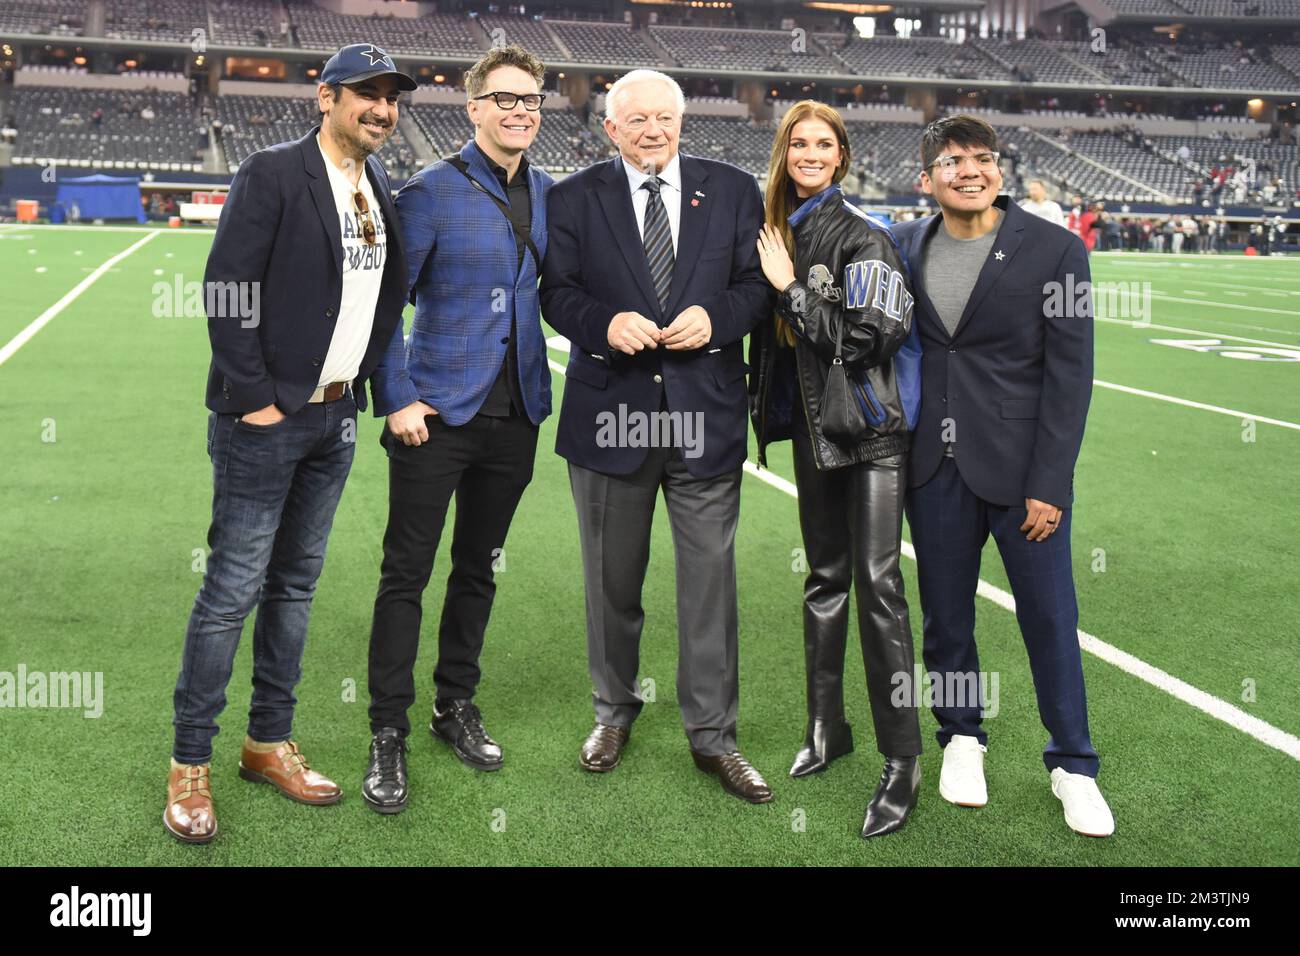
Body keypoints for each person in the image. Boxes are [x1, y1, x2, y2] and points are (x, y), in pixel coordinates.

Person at [166, 43, 416, 843]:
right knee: (232, 591)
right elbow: (229, 285)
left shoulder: (378, 185)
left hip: (333, 420)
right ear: (327, 97)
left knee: (296, 589)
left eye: (392, 100)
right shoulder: (274, 172)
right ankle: (189, 765)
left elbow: (383, 298)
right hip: (266, 424)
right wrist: (255, 403)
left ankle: (267, 742)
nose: (382, 109)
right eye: (367, 96)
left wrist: (359, 393)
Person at [539, 69, 773, 803]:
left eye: (663, 117)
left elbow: (759, 285)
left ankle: (714, 735)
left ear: (682, 122)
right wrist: (603, 326)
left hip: (706, 417)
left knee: (710, 586)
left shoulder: (735, 190)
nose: (651, 130)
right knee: (612, 584)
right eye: (635, 119)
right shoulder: (572, 198)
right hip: (612, 418)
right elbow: (556, 292)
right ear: (609, 129)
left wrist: (722, 319)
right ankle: (613, 713)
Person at [890, 115, 1114, 838]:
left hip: (1024, 476)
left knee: (1050, 619)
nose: (970, 170)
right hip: (933, 468)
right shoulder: (902, 245)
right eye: (951, 161)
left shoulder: (1057, 251)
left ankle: (1073, 764)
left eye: (982, 158)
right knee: (945, 619)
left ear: (1000, 169)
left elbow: (1071, 374)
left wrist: (1051, 481)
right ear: (926, 179)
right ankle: (961, 736)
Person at [361, 45, 553, 814]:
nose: (520, 111)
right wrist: (398, 396)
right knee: (405, 573)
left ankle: (453, 706)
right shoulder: (432, 191)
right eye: (505, 99)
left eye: (531, 100)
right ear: (474, 108)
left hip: (518, 416)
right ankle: (387, 728)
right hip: (434, 417)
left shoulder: (550, 191)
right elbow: (385, 306)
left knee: (478, 569)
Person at [749, 101, 923, 838]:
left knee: (879, 587)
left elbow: (869, 339)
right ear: (784, 152)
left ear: (842, 156)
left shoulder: (865, 236)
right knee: (823, 579)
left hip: (872, 435)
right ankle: (828, 729)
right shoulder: (779, 230)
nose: (810, 153)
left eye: (823, 144)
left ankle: (903, 762)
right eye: (799, 142)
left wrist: (788, 287)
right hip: (815, 434)